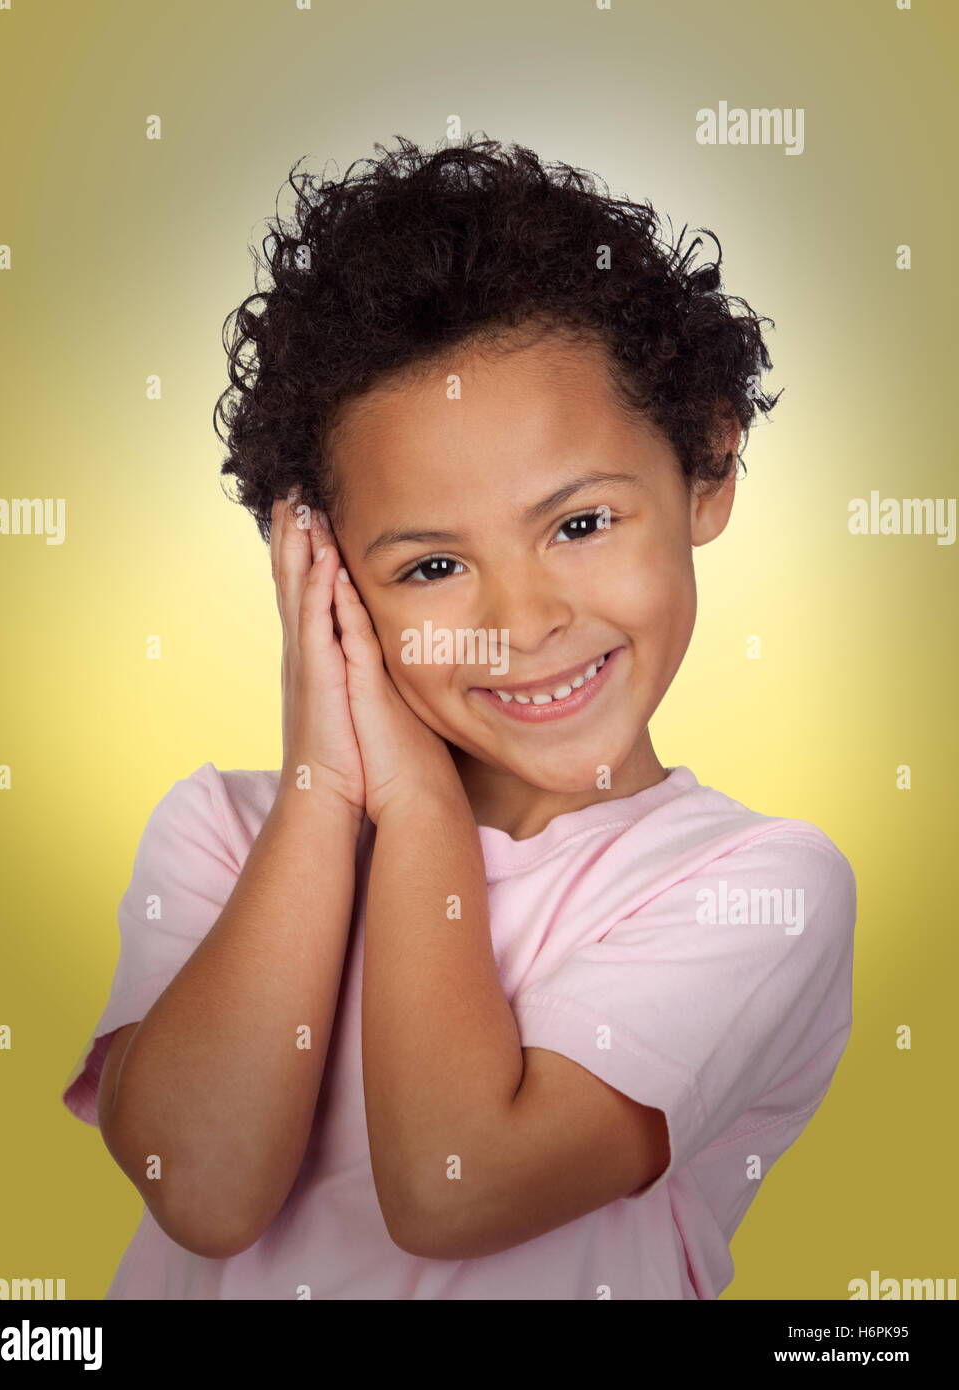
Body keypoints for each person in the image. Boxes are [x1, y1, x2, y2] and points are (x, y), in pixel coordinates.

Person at [62, 133, 856, 1299]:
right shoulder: (228, 837)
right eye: (432, 566)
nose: (521, 619)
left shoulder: (754, 883)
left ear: (708, 466)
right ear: (324, 575)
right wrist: (328, 793)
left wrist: (423, 807)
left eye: (581, 524)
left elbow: (455, 1183)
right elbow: (205, 1187)